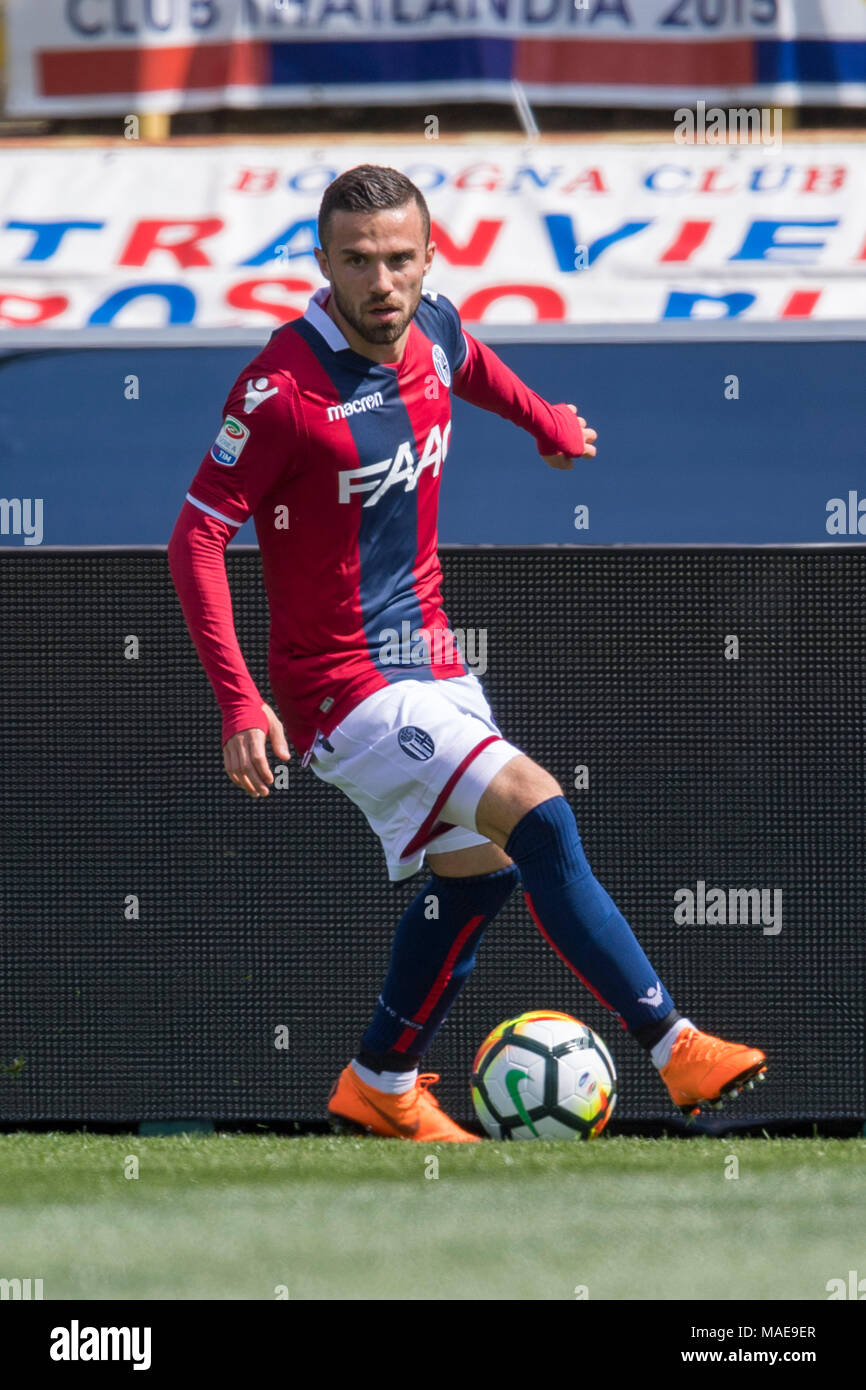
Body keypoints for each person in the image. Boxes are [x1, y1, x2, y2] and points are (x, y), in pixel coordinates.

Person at [168, 164, 767, 1143]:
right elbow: (194, 536)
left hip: (431, 663)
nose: (382, 281)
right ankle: (673, 1043)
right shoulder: (279, 390)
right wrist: (238, 702)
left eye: (400, 259)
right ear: (320, 263)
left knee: (479, 878)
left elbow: (469, 360)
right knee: (538, 810)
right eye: (357, 261)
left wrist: (545, 422)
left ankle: (379, 1080)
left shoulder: (434, 324)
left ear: (428, 258)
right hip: (340, 691)